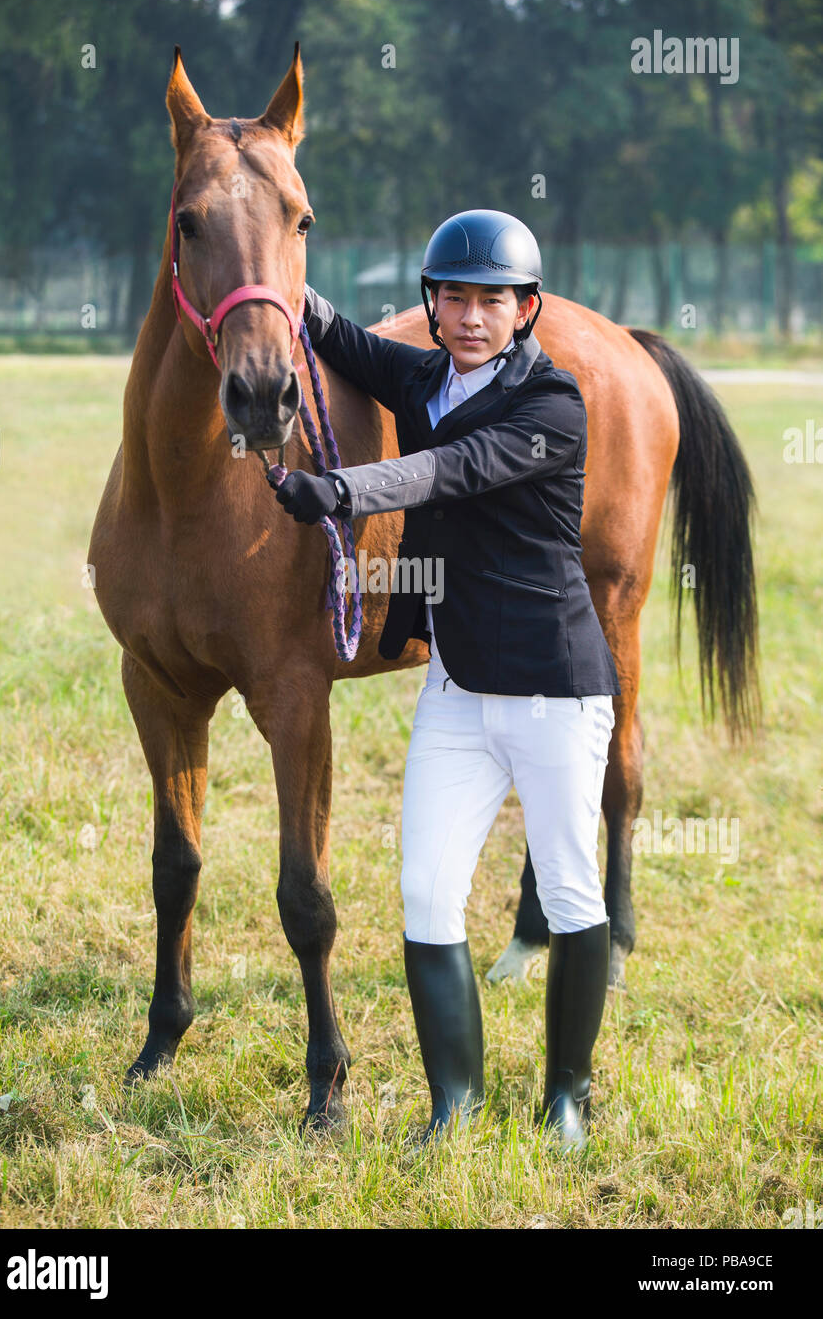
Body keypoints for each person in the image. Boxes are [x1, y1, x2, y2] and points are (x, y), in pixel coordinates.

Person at [274, 210, 620, 1153]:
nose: (470, 317)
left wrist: (342, 494)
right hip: (459, 693)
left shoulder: (554, 406)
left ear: (525, 309)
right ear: (432, 306)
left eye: (490, 301)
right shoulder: (426, 373)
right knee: (426, 893)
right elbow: (340, 339)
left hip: (556, 693)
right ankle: (454, 1105)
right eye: (455, 298)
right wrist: (273, 272)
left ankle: (566, 1099)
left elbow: (450, 469)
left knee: (572, 890)